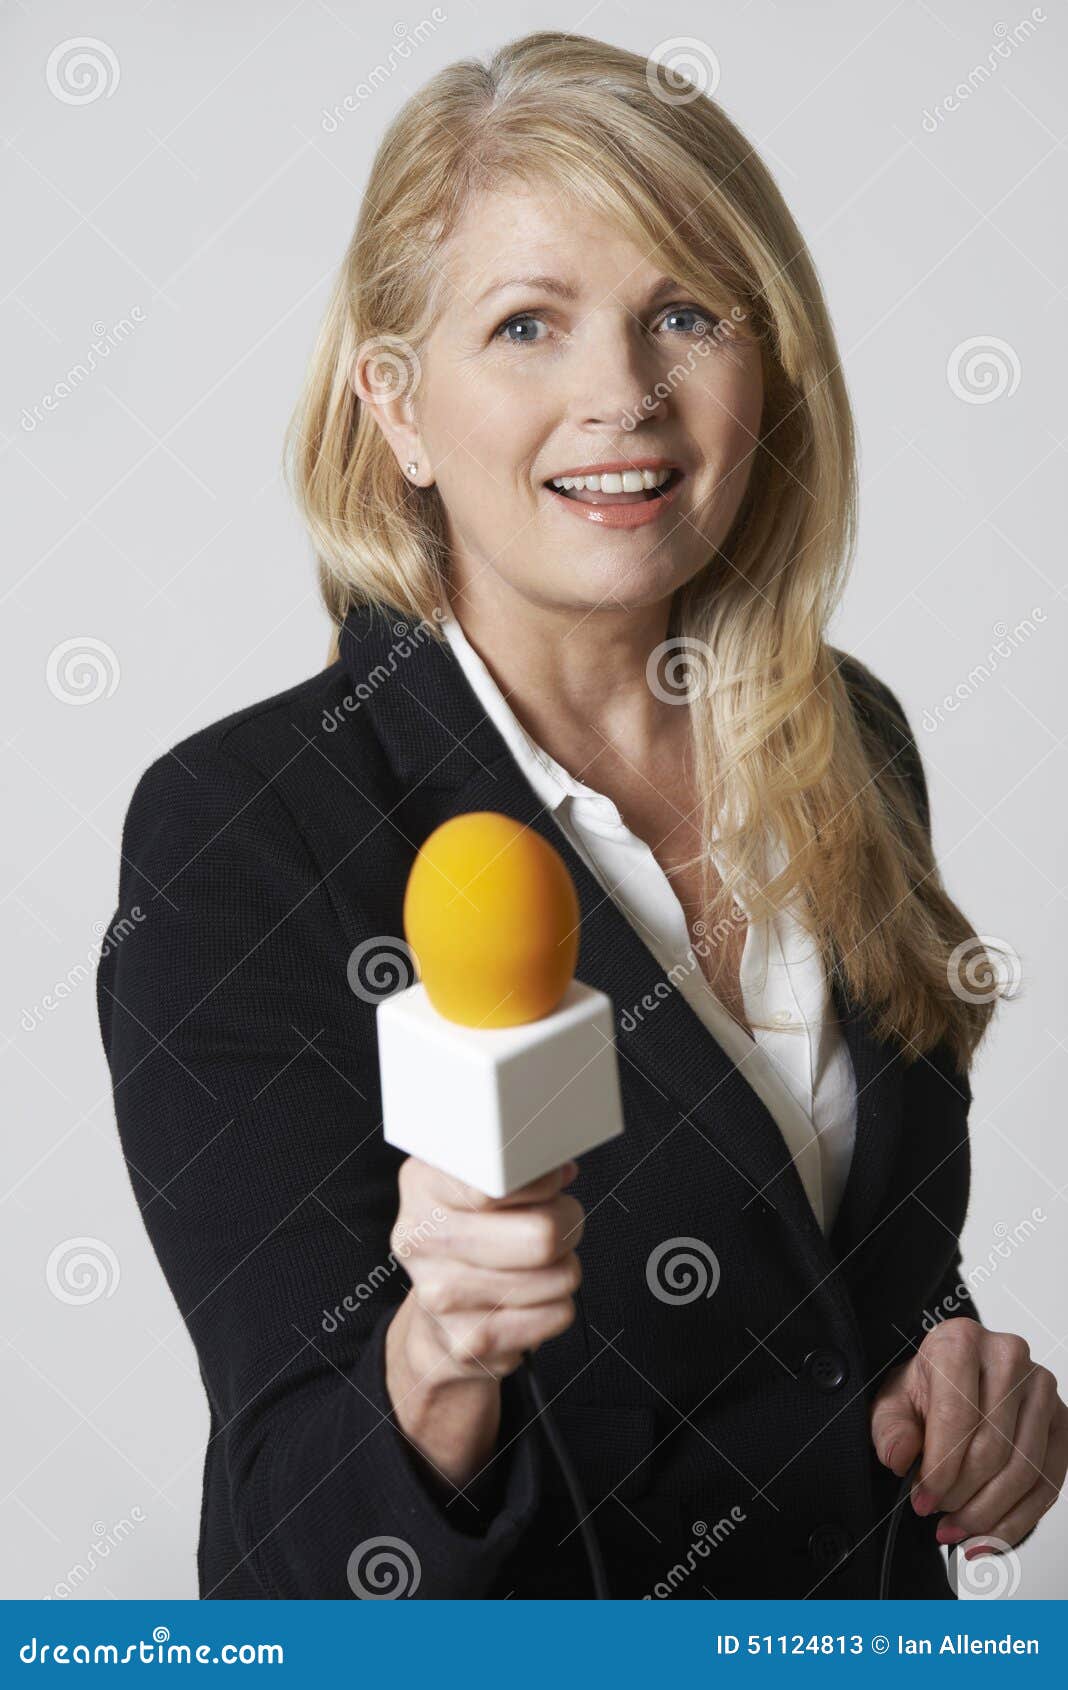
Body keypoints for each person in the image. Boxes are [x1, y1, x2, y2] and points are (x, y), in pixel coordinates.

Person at [97, 31, 1065, 1600]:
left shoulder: (845, 740)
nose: (620, 392)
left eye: (682, 314)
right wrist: (437, 1361)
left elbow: (824, 1271)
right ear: (397, 409)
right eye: (526, 325)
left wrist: (960, 1370)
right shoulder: (247, 830)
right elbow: (292, 1549)